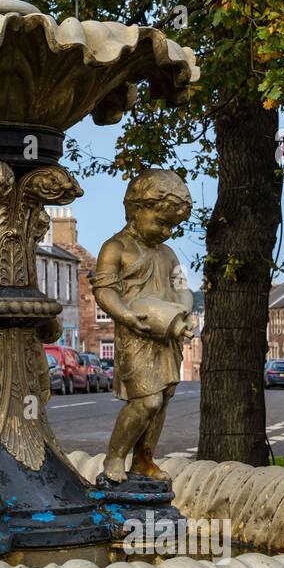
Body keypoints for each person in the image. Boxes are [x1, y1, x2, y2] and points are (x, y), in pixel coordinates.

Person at [91, 169, 195, 485]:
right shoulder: (116, 248)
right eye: (161, 222)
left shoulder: (168, 253)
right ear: (137, 209)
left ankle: (144, 459)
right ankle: (114, 456)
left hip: (167, 334)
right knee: (146, 400)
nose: (167, 231)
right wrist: (124, 315)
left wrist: (185, 311)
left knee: (162, 399)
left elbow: (182, 287)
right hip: (137, 331)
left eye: (172, 226)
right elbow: (104, 289)